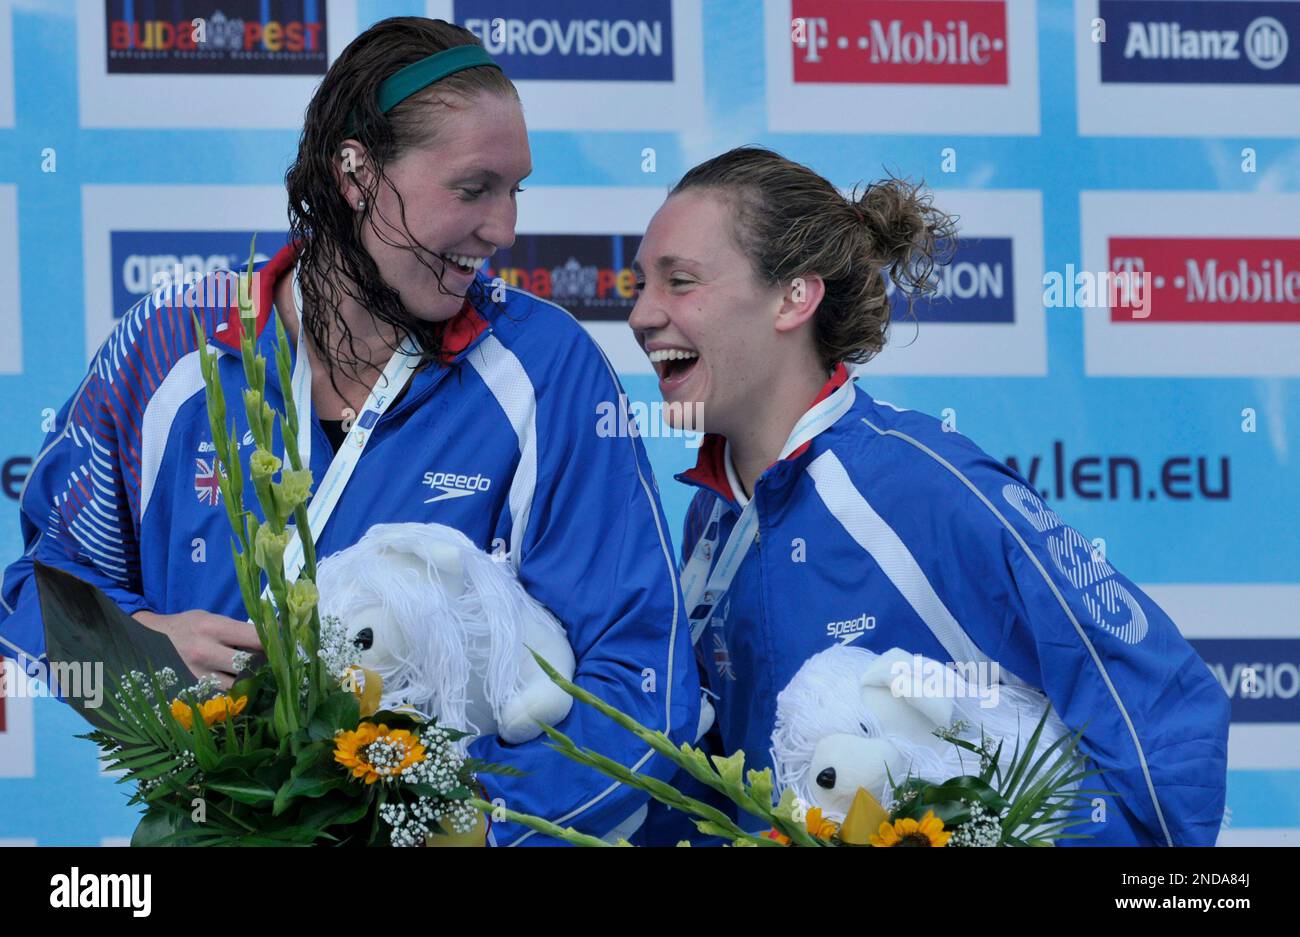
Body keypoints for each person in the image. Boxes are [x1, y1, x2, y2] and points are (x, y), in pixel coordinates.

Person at [0, 17, 697, 846]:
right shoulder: (169, 346)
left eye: (517, 191)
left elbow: (643, 681)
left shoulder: (545, 369)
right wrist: (143, 655)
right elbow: (37, 597)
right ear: (356, 173)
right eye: (474, 189)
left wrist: (473, 824)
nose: (505, 229)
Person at [628, 146, 1229, 846]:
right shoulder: (713, 515)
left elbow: (1164, 711)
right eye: (639, 285)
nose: (641, 314)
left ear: (795, 295)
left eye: (679, 282)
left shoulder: (916, 484)